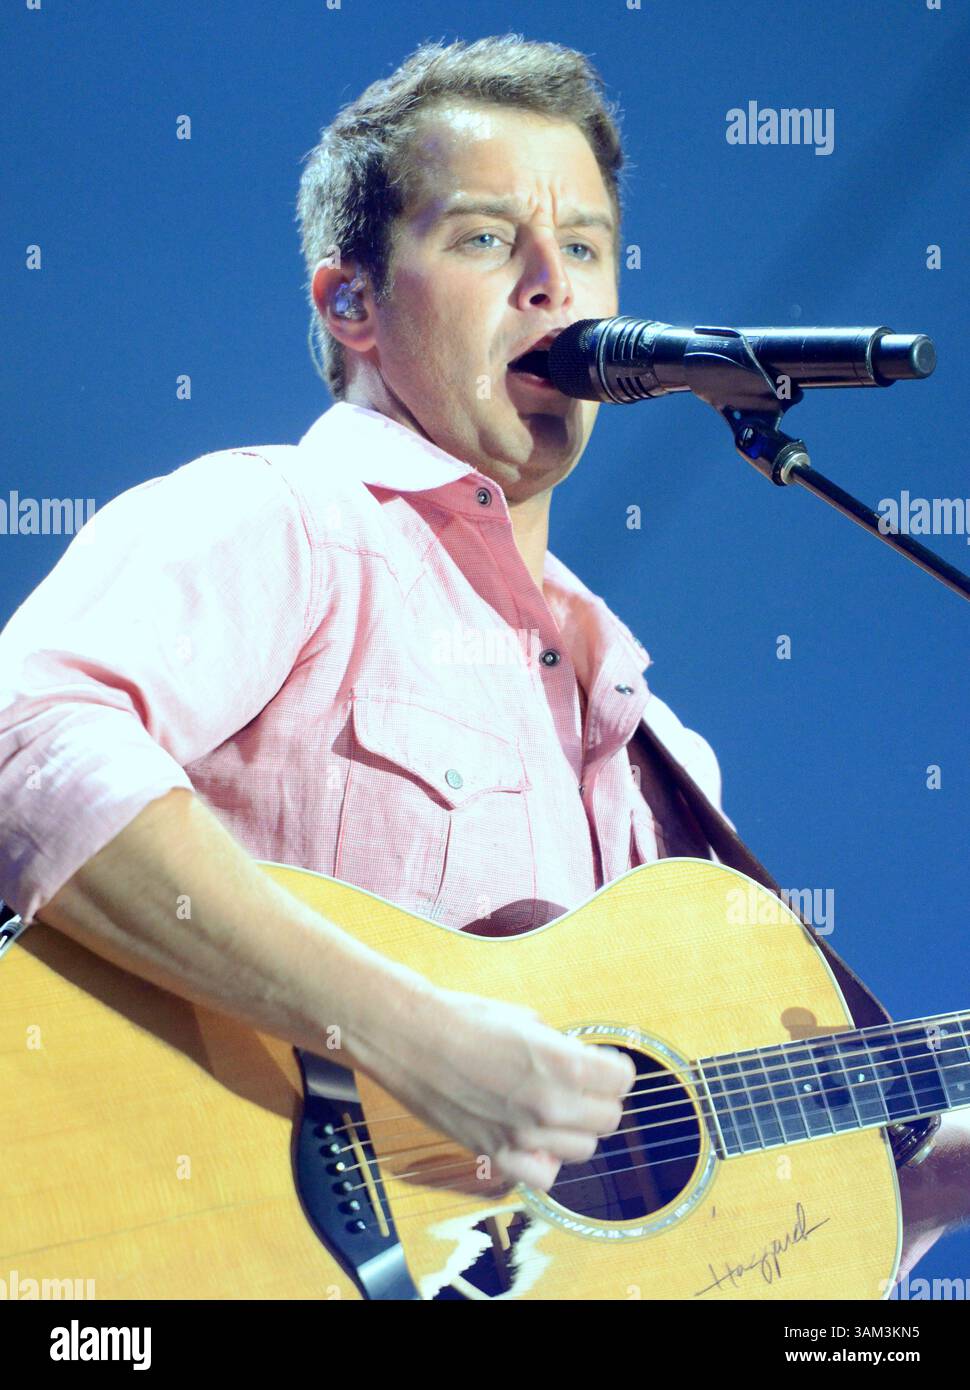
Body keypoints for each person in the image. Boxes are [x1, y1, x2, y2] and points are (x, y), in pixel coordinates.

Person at [0, 34, 964, 1291]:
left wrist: (936, 1177)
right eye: (483, 239)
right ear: (348, 303)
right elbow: (28, 737)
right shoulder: (285, 519)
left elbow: (693, 1249)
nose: (551, 288)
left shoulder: (655, 743)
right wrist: (410, 1033)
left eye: (583, 247)